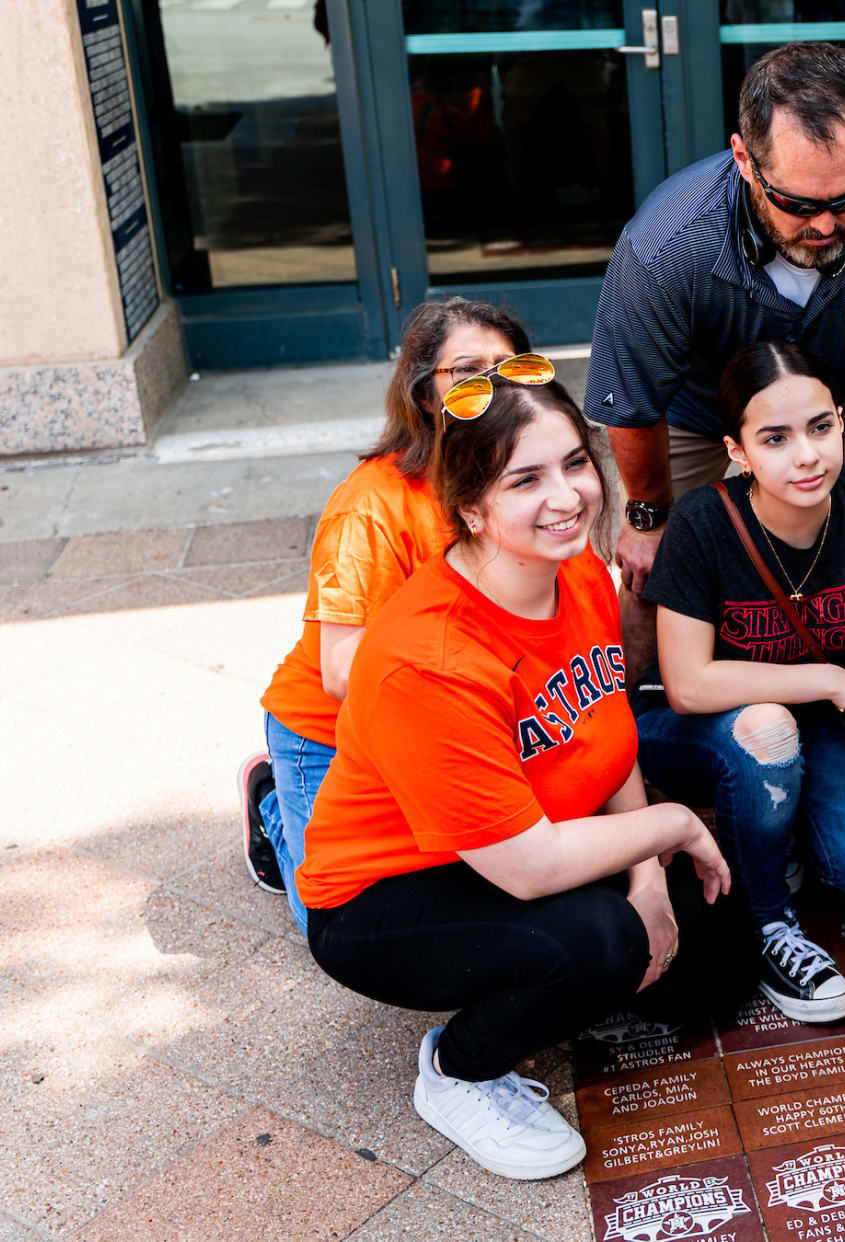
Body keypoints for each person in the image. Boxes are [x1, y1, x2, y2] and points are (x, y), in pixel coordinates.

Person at [297, 358, 747, 1180]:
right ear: (470, 507)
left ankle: (562, 970)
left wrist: (649, 876)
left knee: (718, 953)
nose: (568, 496)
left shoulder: (571, 567)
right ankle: (458, 1068)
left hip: (535, 835)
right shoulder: (429, 657)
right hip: (389, 890)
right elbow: (529, 867)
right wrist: (674, 826)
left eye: (576, 463)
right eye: (525, 480)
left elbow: (606, 738)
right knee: (600, 945)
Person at [587, 42, 845, 676]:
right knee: (655, 565)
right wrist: (646, 515)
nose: (828, 224)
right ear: (745, 159)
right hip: (701, 407)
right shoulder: (664, 245)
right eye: (801, 205)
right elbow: (632, 400)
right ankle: (638, 721)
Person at [636, 340, 845, 1023]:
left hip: (814, 721)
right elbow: (687, 683)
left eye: (820, 428)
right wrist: (834, 679)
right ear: (737, 451)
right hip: (693, 729)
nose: (807, 455)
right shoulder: (706, 522)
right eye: (776, 438)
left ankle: (775, 830)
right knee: (767, 729)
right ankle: (768, 925)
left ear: (842, 424)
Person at [242, 297, 529, 929]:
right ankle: (271, 803)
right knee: (326, 912)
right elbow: (342, 672)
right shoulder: (371, 505)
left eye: (510, 367)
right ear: (426, 395)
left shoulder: (527, 478)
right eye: (469, 372)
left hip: (457, 717)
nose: (496, 387)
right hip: (330, 733)